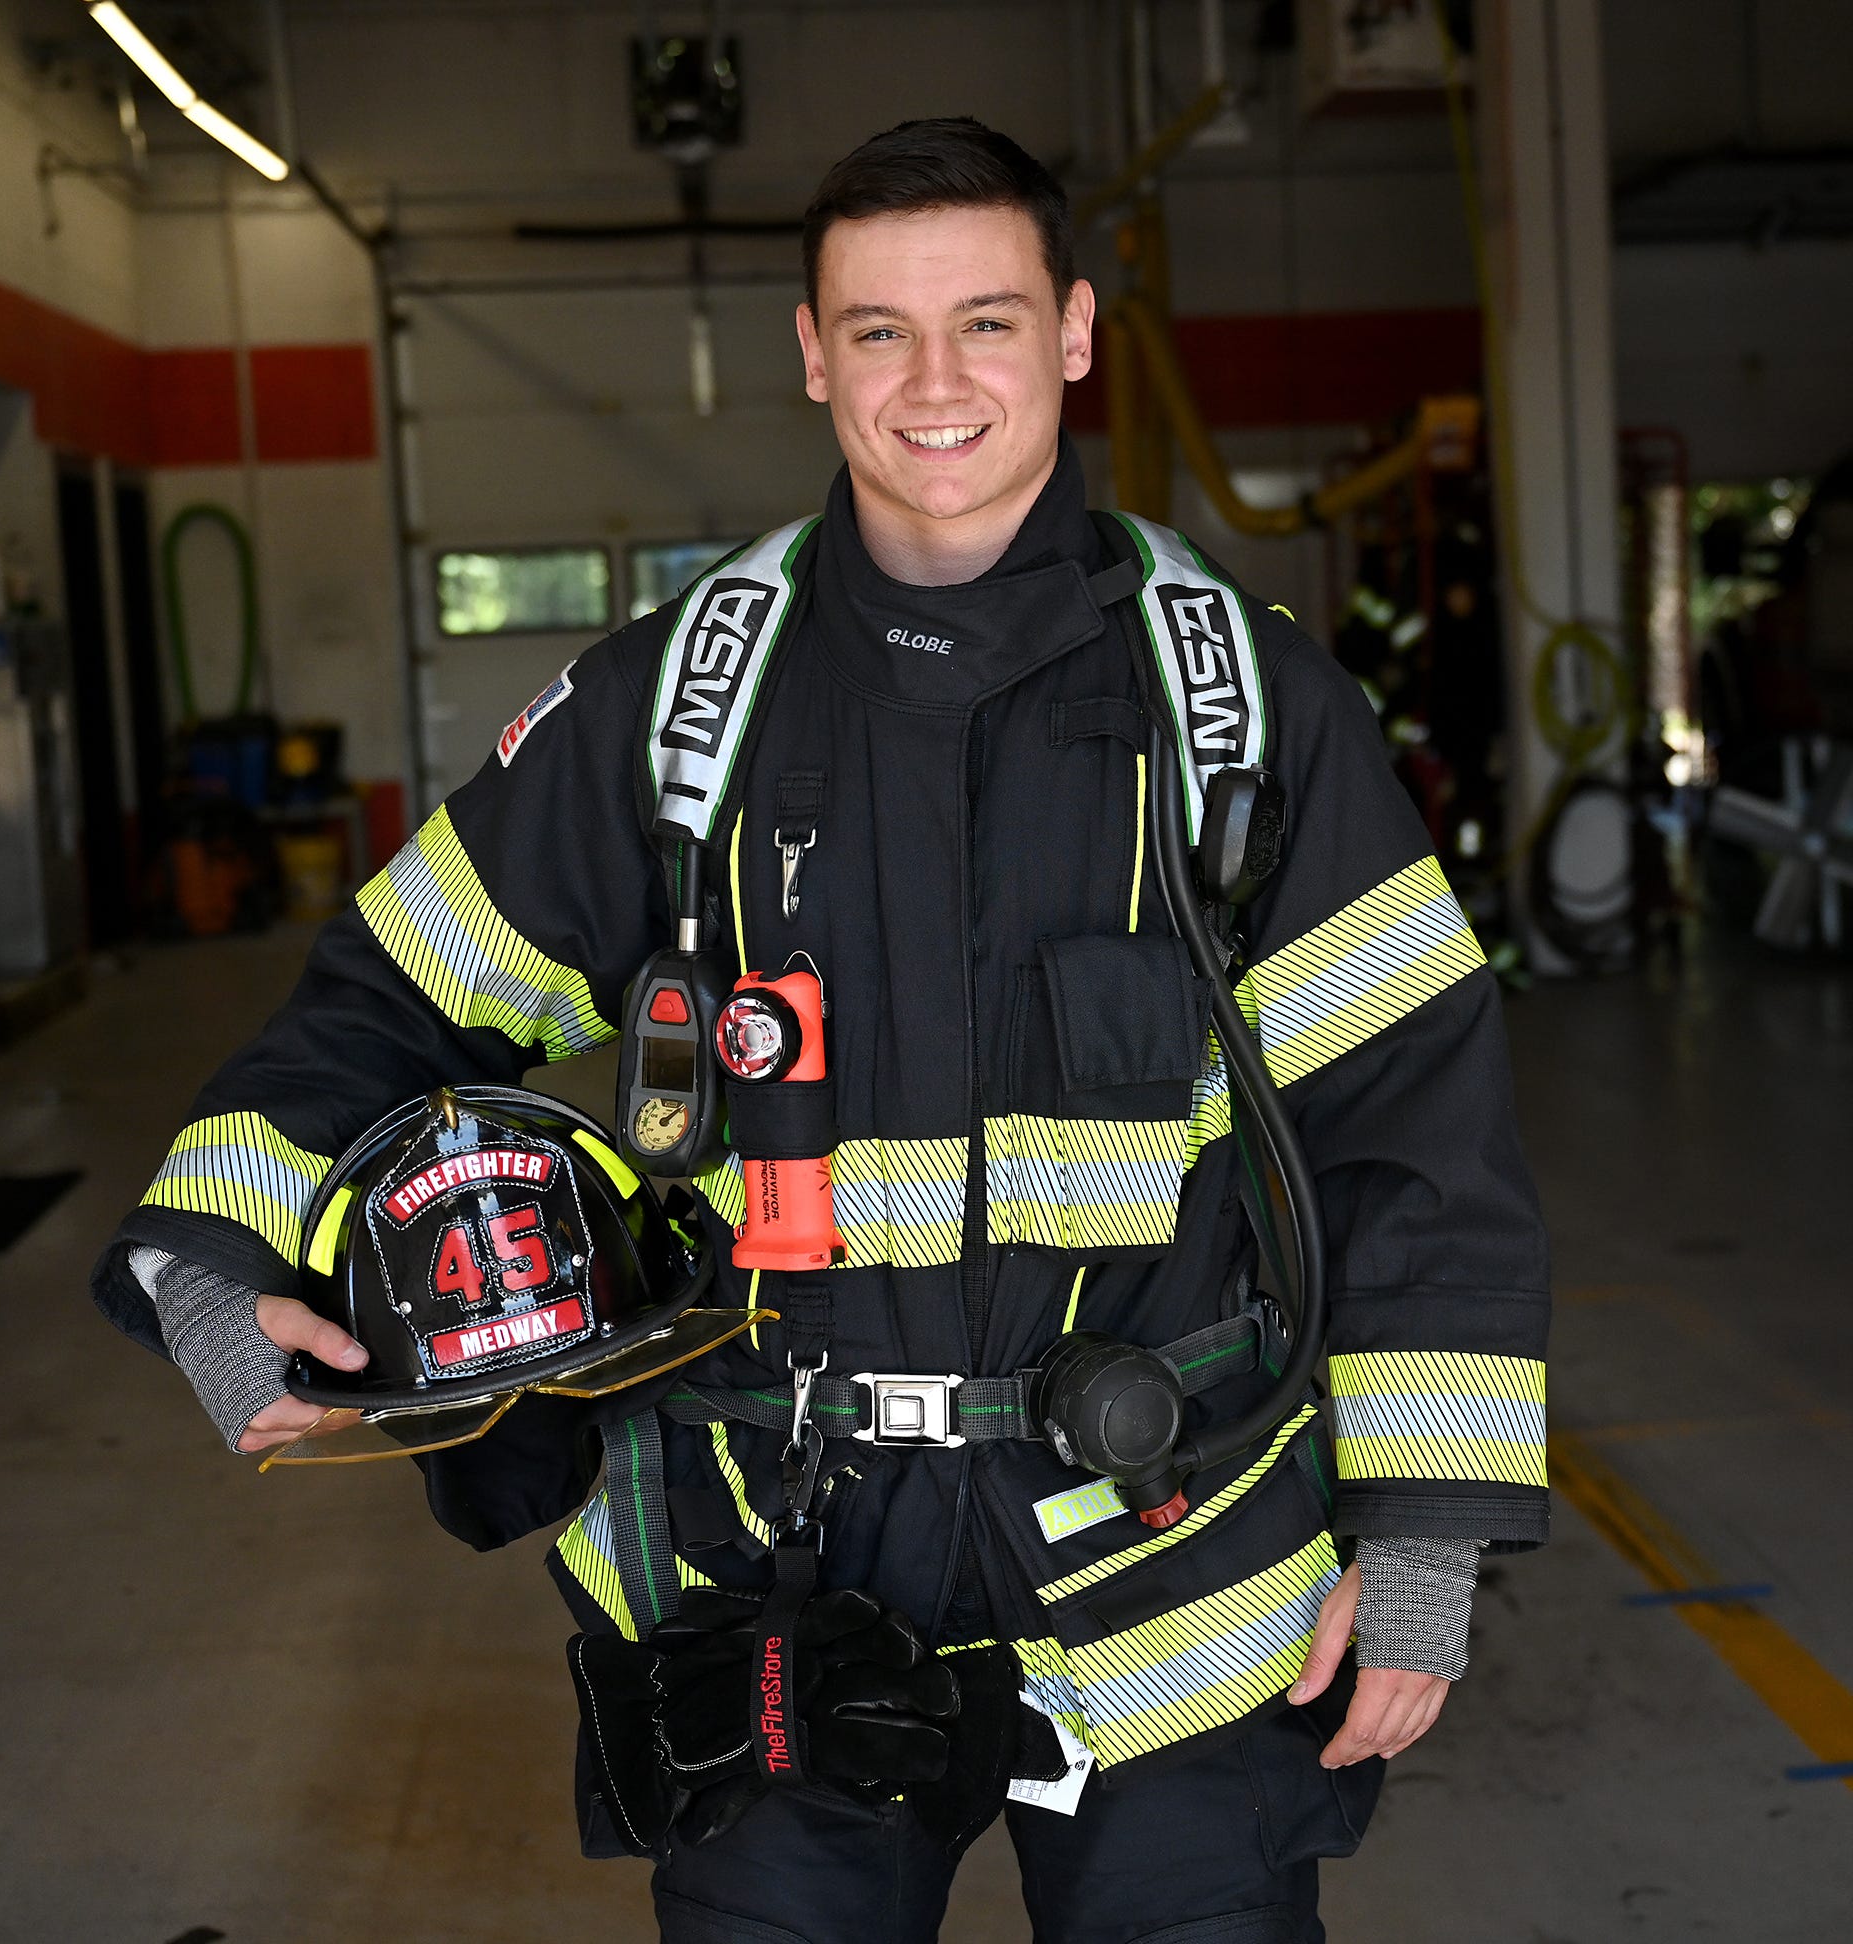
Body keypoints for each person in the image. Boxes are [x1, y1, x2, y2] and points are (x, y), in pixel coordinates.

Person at [94, 118, 1550, 1944]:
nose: (934, 383)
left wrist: (1424, 1542)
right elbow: (393, 988)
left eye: (990, 322)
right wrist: (211, 1260)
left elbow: (1410, 1114)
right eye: (879, 331)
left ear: (1080, 333)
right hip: (763, 1575)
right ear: (810, 351)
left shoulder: (1247, 709)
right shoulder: (675, 710)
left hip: (1183, 1585)